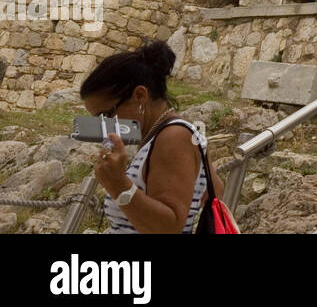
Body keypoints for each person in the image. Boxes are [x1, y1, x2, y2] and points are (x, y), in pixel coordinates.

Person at [81, 40, 223, 233]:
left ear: (140, 96)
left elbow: (169, 227)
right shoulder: (170, 134)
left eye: (106, 115)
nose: (104, 125)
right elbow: (215, 189)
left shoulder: (173, 138)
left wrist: (118, 185)